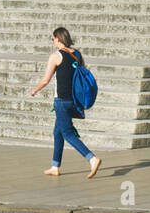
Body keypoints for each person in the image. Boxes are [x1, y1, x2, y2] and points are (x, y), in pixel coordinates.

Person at [29, 27, 102, 178]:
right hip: (74, 101)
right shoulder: (77, 54)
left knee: (68, 133)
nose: (53, 41)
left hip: (61, 101)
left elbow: (46, 80)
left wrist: (35, 90)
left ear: (58, 38)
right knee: (58, 132)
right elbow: (83, 73)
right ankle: (55, 166)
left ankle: (92, 159)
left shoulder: (55, 56)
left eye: (53, 39)